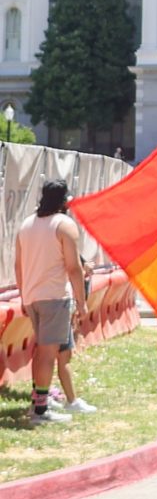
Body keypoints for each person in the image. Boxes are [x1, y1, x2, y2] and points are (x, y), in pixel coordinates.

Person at [17, 180, 94, 423]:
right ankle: (40, 411)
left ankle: (39, 402)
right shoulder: (64, 225)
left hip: (32, 297)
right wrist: (81, 302)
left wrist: (24, 295)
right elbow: (73, 268)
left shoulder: (26, 224)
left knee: (41, 352)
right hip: (54, 297)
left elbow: (18, 265)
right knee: (48, 355)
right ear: (65, 201)